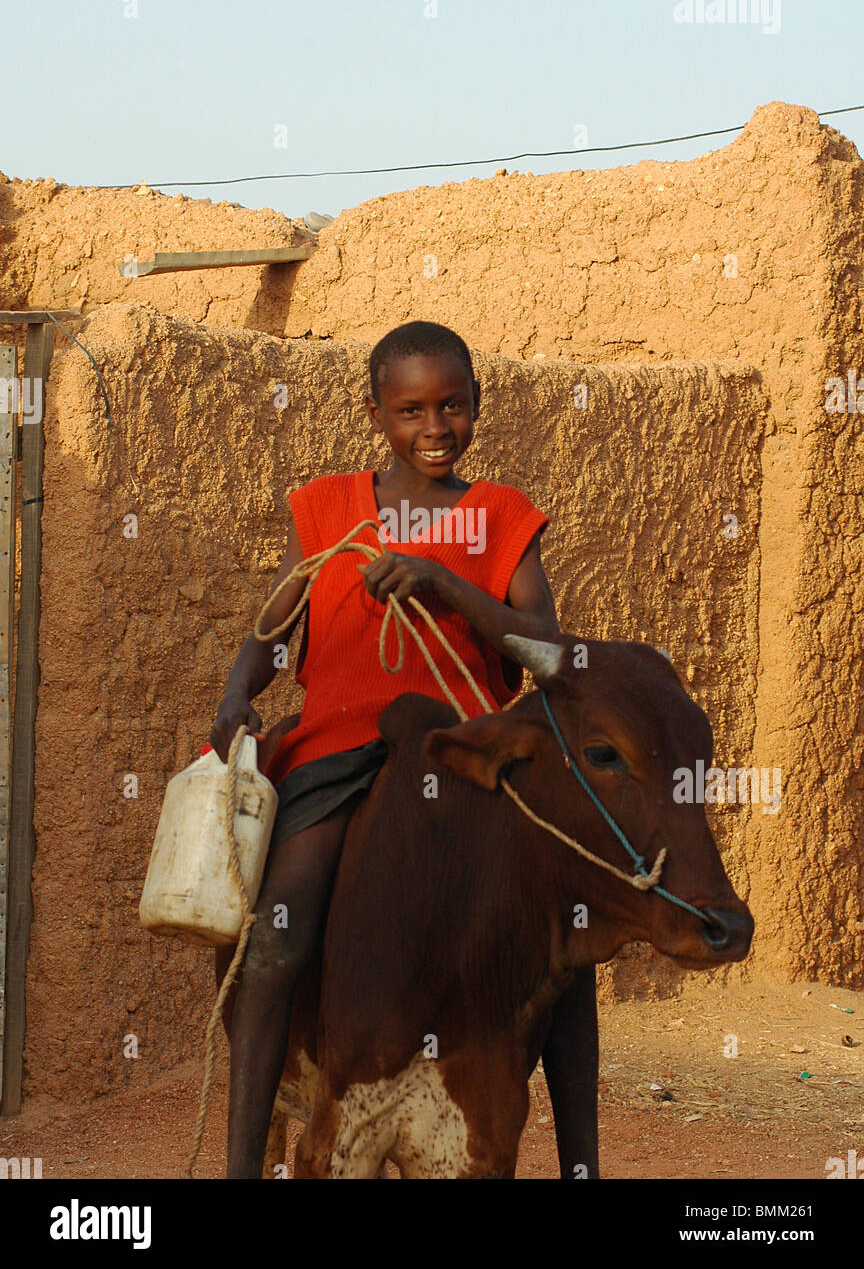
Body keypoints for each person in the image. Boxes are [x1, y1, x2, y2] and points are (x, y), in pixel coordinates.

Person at [207, 319, 598, 1179]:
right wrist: (240, 693)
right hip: (341, 748)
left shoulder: (501, 517)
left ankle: (583, 1167)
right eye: (412, 408)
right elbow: (276, 629)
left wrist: (446, 582)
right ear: (378, 412)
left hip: (468, 752)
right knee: (278, 932)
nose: (434, 427)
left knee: (569, 938)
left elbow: (547, 652)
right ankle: (240, 1167)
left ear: (475, 407)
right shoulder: (329, 510)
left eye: (452, 406)